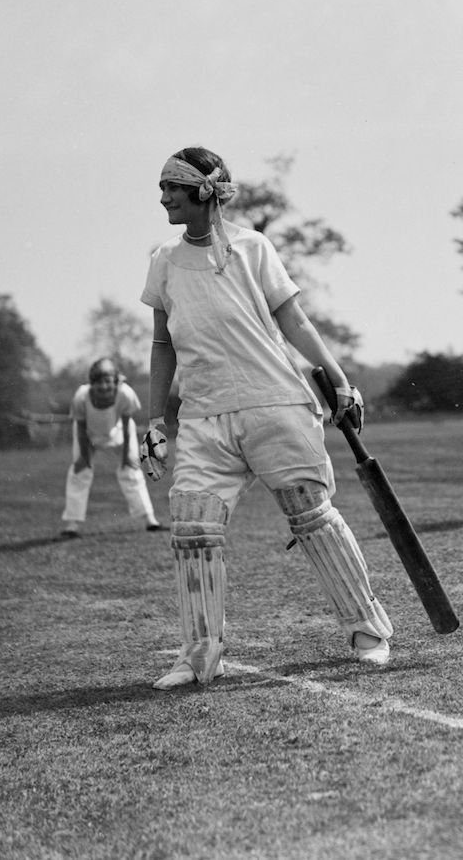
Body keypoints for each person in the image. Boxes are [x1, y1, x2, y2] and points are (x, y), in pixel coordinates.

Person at [138, 146, 392, 690]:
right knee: (192, 529)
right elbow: (162, 345)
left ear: (205, 191)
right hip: (205, 416)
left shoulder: (254, 248)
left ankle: (369, 631)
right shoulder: (163, 260)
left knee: (311, 516)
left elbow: (294, 320)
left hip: (275, 403)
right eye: (161, 189)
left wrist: (339, 377)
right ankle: (200, 655)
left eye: (172, 189)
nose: (162, 199)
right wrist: (156, 419)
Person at [58, 358, 165, 538]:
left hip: (119, 432)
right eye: (98, 382)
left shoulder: (125, 394)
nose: (104, 387)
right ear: (91, 383)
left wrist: (126, 458)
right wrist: (84, 457)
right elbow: (81, 427)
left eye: (108, 381)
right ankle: (72, 525)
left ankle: (150, 520)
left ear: (116, 381)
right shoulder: (81, 396)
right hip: (88, 434)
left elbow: (126, 422)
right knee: (79, 472)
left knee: (131, 471)